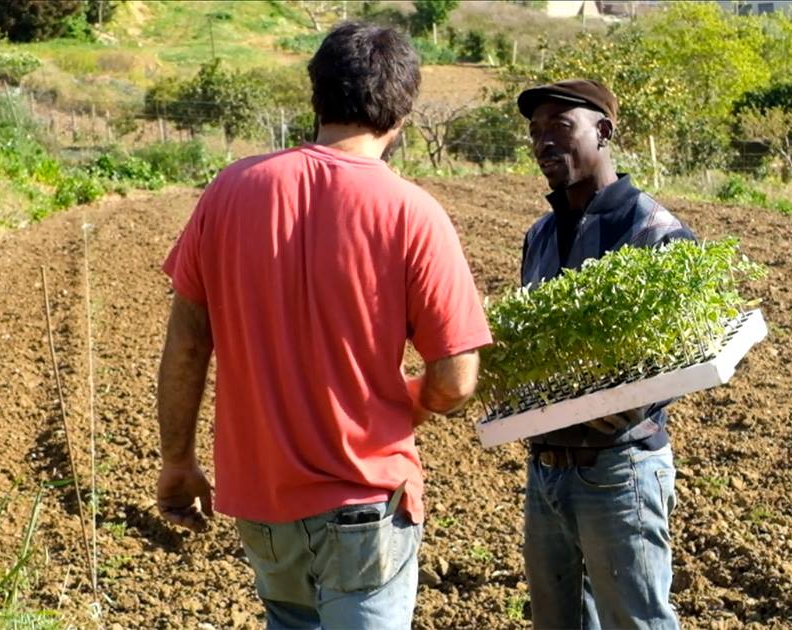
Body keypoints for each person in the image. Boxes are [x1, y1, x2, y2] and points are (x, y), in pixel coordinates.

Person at [155, 22, 492, 630]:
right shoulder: (412, 213)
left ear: (315, 99)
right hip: (364, 506)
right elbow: (456, 379)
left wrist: (177, 460)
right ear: (401, 117)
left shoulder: (229, 191)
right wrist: (406, 403)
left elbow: (186, 344)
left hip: (262, 508)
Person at [516, 79, 695, 629]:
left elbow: (679, 359)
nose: (545, 141)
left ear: (605, 131)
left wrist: (610, 407)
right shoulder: (540, 235)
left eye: (561, 126)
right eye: (536, 131)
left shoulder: (654, 232)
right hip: (546, 471)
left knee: (634, 621)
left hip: (618, 471)